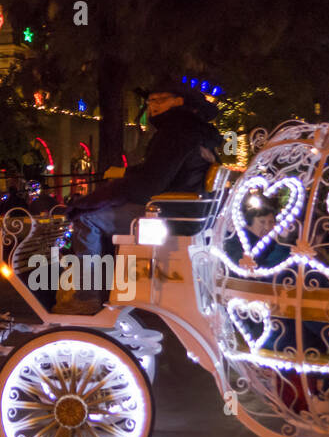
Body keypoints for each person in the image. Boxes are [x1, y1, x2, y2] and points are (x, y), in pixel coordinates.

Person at [60, 78, 223, 312]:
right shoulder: (194, 131)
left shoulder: (175, 131)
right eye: (150, 101)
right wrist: (126, 172)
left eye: (160, 99)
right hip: (188, 211)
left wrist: (108, 192)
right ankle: (109, 287)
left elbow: (150, 185)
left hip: (170, 213)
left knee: (87, 219)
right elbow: (163, 169)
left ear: (179, 101)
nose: (153, 105)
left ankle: (87, 296)